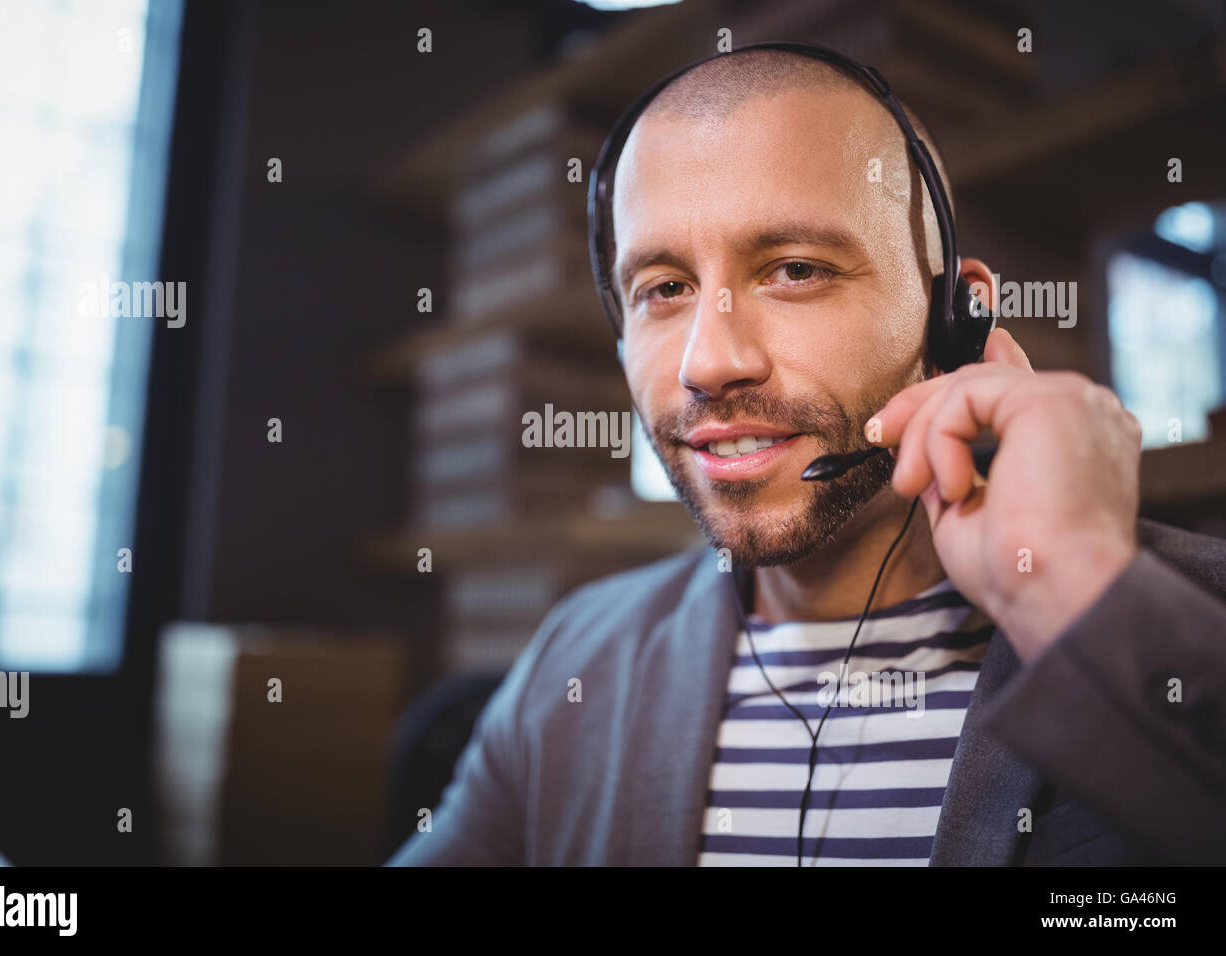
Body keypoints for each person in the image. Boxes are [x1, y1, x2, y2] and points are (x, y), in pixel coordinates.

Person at [386, 46, 1226, 866]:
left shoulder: (1191, 613)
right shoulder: (577, 658)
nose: (708, 363)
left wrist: (1074, 591)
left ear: (955, 314)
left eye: (794, 269)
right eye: (664, 289)